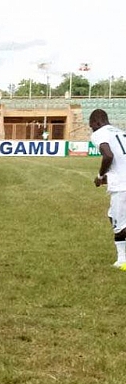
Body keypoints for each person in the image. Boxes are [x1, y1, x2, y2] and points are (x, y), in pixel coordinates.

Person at [89, 108, 126, 270]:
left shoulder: (100, 133)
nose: (92, 129)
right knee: (112, 216)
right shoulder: (121, 132)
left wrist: (100, 176)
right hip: (121, 181)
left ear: (97, 122)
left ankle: (122, 260)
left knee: (119, 225)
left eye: (91, 126)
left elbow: (108, 156)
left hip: (121, 187)